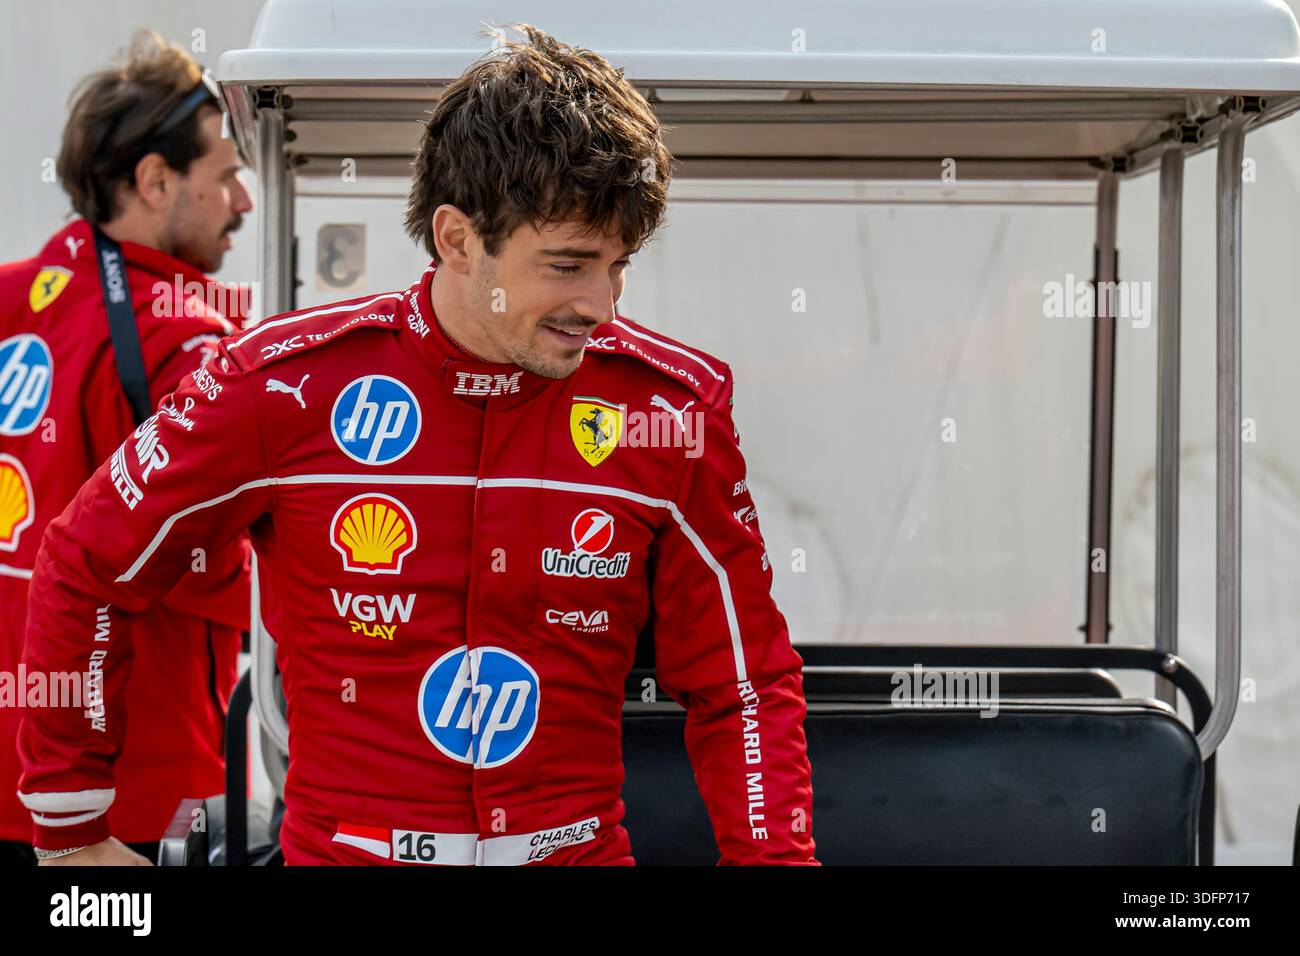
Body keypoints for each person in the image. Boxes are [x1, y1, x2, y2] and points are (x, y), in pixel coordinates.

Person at [19, 23, 815, 866]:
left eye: (619, 265)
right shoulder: (280, 384)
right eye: (569, 264)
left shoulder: (669, 407)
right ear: (458, 238)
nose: (603, 304)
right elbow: (85, 561)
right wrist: (71, 831)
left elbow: (742, 683)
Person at [0, 30, 253, 865]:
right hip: (133, 796)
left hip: (25, 780)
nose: (244, 202)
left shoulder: (9, 297)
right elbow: (225, 556)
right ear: (155, 181)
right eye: (225, 177)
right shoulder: (189, 335)